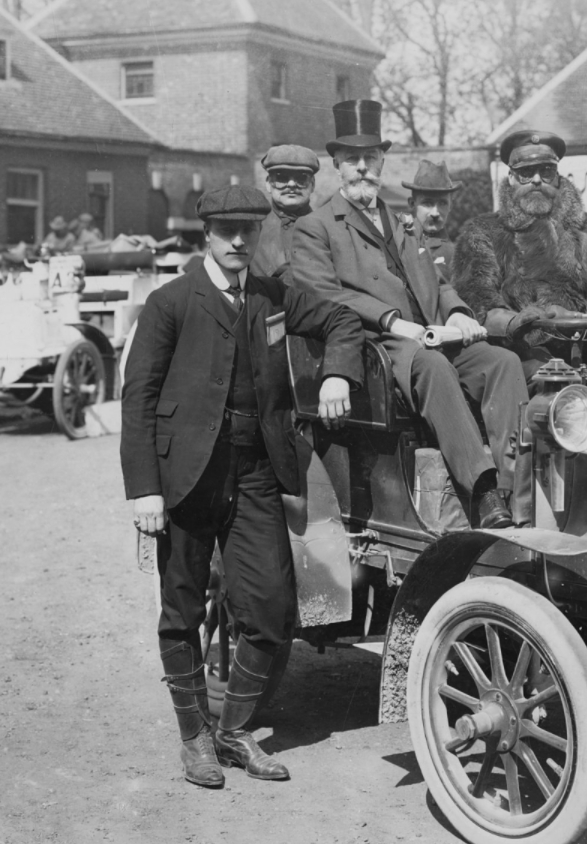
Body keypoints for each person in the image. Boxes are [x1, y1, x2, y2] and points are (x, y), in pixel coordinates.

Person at [121, 186, 363, 788]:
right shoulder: (170, 303)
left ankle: (232, 730)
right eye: (227, 230)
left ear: (259, 236)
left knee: (272, 609)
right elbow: (139, 400)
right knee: (181, 611)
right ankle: (195, 740)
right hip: (186, 478)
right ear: (206, 233)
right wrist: (144, 490)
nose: (238, 242)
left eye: (248, 232)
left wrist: (336, 372)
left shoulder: (272, 297)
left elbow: (340, 319)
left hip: (256, 469)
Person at [293, 99, 528, 529]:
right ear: (337, 166)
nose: (362, 168)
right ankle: (484, 492)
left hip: (432, 335)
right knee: (433, 366)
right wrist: (390, 320)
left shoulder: (404, 221)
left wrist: (457, 313)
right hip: (380, 344)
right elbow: (323, 294)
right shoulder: (318, 226)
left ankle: (519, 490)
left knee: (503, 363)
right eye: (352, 160)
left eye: (370, 158)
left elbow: (437, 282)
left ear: (382, 160)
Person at [454, 131, 587, 380]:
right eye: (526, 172)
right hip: (522, 354)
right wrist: (513, 321)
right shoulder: (483, 233)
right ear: (511, 179)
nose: (537, 180)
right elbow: (477, 299)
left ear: (557, 178)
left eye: (546, 171)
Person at [251, 145, 319, 281]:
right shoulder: (252, 228)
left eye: (301, 178)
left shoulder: (326, 228)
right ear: (268, 184)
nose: (292, 184)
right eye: (282, 178)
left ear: (312, 185)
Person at [403, 160, 460, 284]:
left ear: (451, 206)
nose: (435, 213)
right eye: (427, 203)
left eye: (442, 203)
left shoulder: (455, 256)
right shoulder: (398, 241)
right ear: (412, 204)